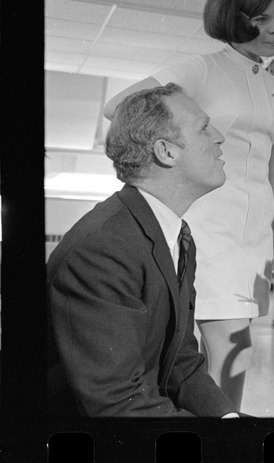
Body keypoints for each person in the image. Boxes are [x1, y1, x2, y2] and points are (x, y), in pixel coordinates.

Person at [103, 0, 274, 411]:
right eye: (263, 19)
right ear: (235, 18)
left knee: (233, 356)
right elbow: (119, 107)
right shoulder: (202, 67)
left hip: (252, 238)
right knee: (198, 354)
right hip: (201, 226)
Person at [48, 84, 238, 417]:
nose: (219, 137)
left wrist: (228, 419)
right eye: (204, 128)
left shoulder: (175, 234)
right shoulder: (101, 249)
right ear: (166, 152)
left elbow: (181, 360)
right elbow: (117, 403)